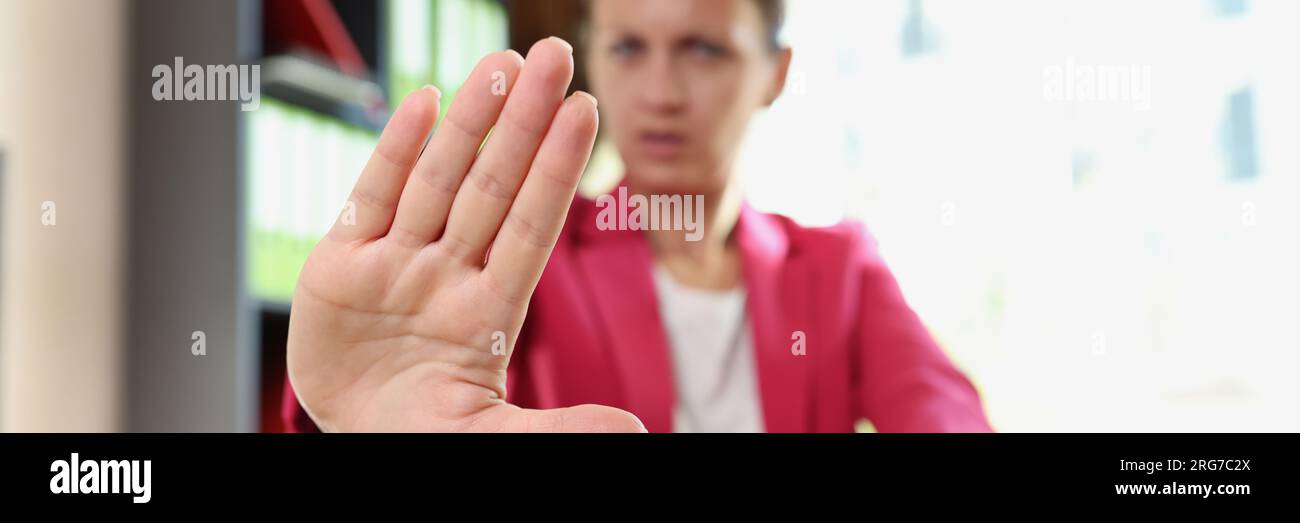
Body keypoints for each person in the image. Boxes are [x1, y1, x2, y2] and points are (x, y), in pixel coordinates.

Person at [282, 0, 992, 432]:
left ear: (776, 73)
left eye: (703, 49)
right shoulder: (514, 259)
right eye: (627, 48)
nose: (660, 92)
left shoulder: (841, 269)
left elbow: (944, 413)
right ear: (593, 55)